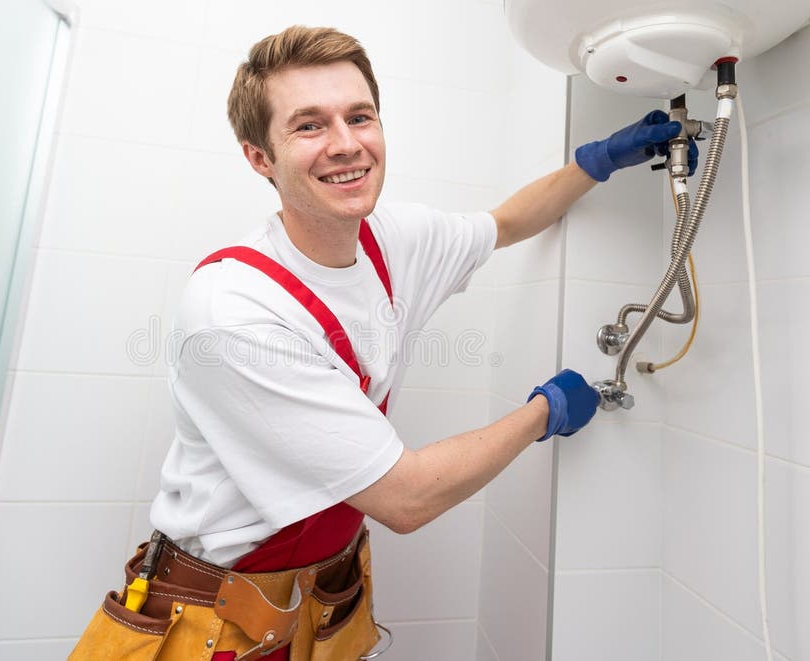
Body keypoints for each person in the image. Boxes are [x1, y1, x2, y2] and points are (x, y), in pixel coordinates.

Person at [70, 25, 690, 661]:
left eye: (359, 116)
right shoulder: (236, 312)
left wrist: (600, 161)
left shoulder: (393, 239)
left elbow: (504, 225)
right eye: (309, 125)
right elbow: (405, 497)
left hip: (322, 601)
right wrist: (544, 411)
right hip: (212, 620)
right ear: (260, 157)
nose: (346, 144)